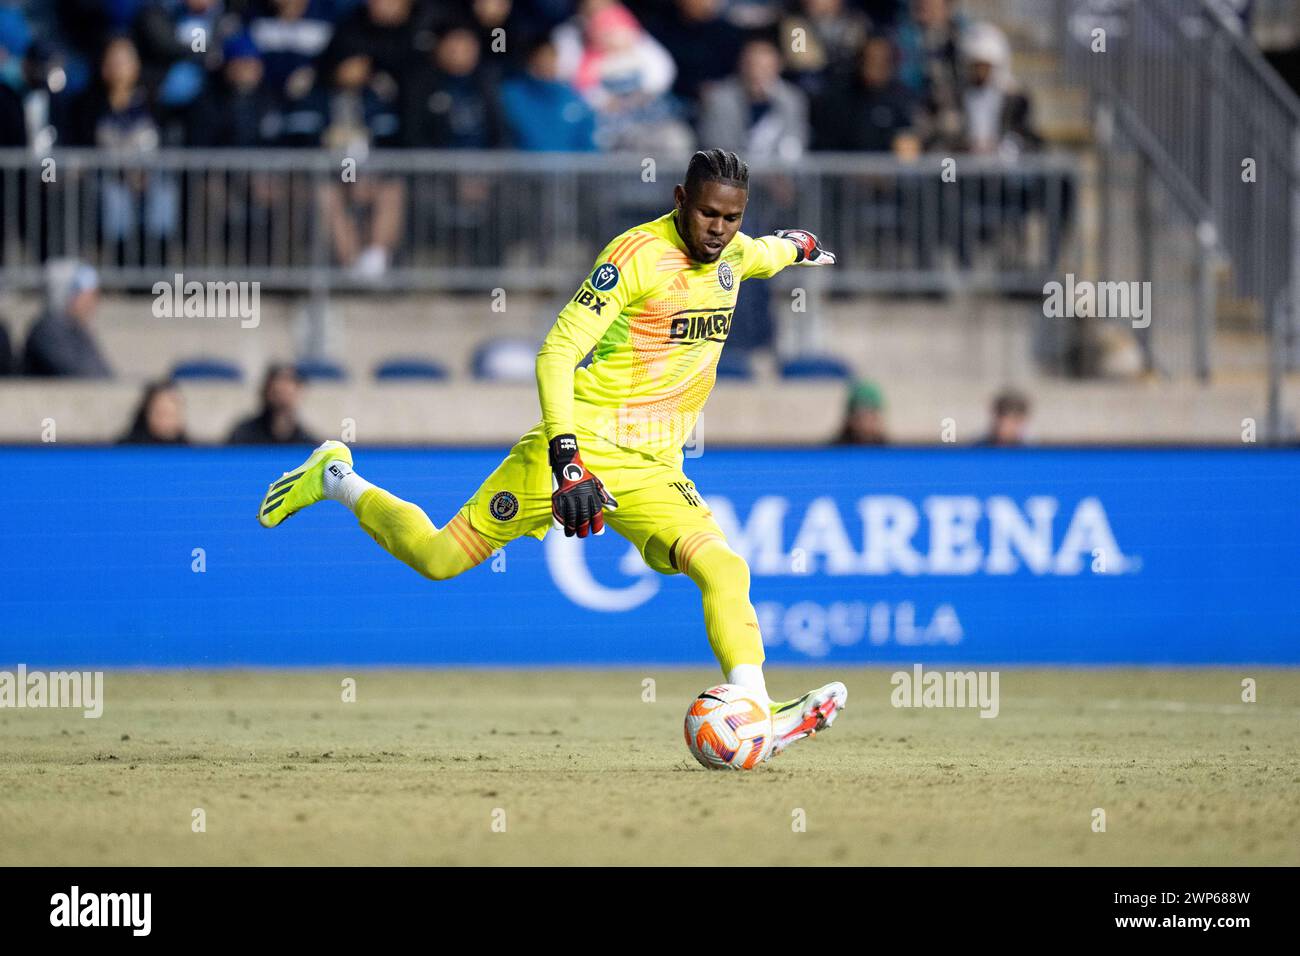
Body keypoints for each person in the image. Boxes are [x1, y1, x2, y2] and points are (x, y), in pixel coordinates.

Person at [257, 149, 847, 762]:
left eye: (731, 217)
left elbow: (769, 253)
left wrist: (800, 246)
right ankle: (335, 476)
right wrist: (568, 461)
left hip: (654, 466)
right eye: (707, 214)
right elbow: (557, 352)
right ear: (679, 198)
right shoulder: (634, 257)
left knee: (724, 567)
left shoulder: (736, 254)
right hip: (579, 445)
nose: (718, 229)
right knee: (436, 559)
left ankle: (754, 709)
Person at [22, 259, 112, 378]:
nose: (93, 303)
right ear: (68, 295)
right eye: (88, 295)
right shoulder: (49, 333)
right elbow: (85, 375)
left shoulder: (75, 330)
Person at [227, 363, 319, 444]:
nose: (282, 397)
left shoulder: (306, 444)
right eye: (277, 392)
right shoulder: (243, 436)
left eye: (287, 392)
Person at [118, 379, 189, 444]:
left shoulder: (191, 451)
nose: (165, 420)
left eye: (171, 414)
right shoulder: (125, 449)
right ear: (147, 413)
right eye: (160, 413)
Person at [834, 379, 888, 444]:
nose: (867, 424)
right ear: (850, 419)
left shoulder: (890, 450)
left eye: (873, 417)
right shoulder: (832, 450)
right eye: (861, 417)